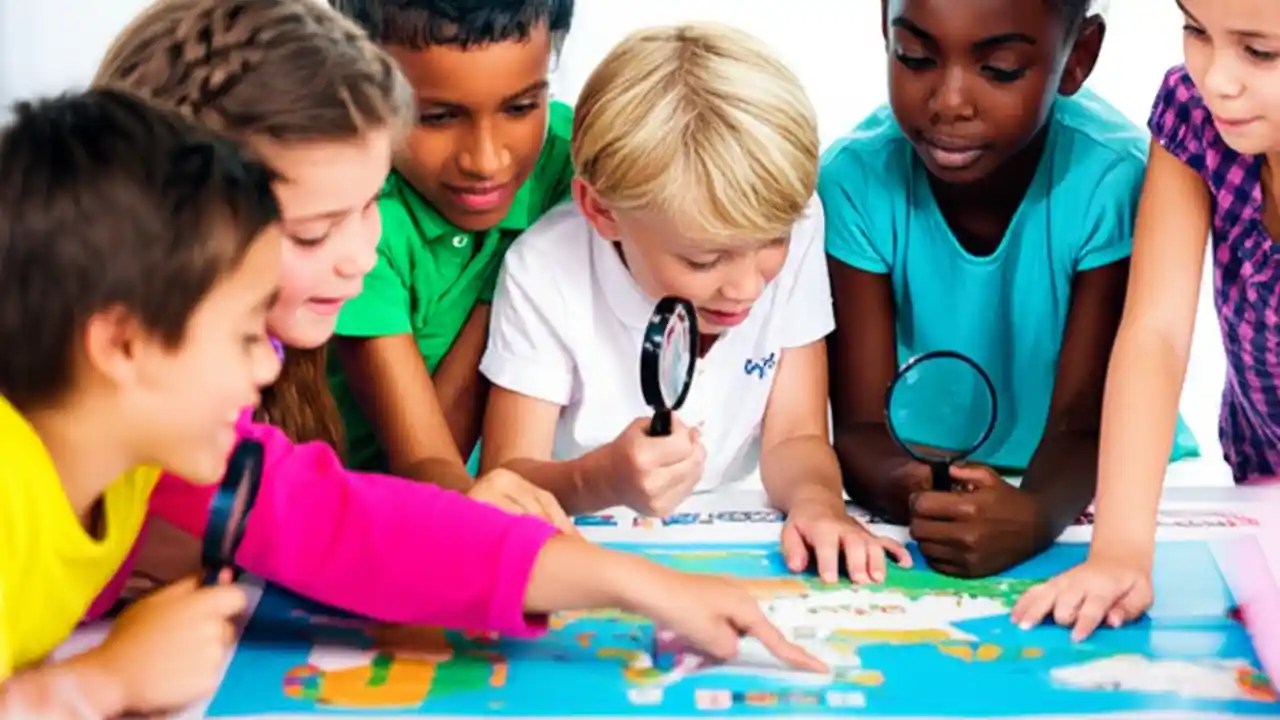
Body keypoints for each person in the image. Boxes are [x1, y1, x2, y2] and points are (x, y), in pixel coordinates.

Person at [84, 0, 821, 690]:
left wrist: (640, 585)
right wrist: (90, 685)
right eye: (315, 232)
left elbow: (348, 524)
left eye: (372, 206)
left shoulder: (222, 443)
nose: (361, 256)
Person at [479, 23, 911, 586]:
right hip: (592, 551)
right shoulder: (543, 270)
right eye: (704, 262)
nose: (746, 289)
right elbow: (505, 480)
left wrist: (818, 505)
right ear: (602, 210)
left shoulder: (797, 222)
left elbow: (796, 436)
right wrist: (601, 479)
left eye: (771, 243)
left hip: (746, 539)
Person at [819, 0, 1199, 579]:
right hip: (928, 472)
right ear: (884, 29)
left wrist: (1037, 514)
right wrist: (920, 493)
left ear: (1079, 59)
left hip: (1100, 482)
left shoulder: (1113, 177)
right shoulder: (854, 179)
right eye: (915, 57)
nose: (949, 101)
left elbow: (1087, 420)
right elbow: (861, 426)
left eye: (998, 70)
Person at [0, 88, 281, 718]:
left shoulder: (125, 469)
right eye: (245, 336)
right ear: (122, 344)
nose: (269, 364)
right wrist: (100, 684)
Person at [1013, 0, 1280, 639]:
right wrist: (1120, 553)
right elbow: (1155, 333)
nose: (1217, 77)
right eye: (1196, 30)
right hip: (1263, 485)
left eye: (1261, 51)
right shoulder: (1197, 113)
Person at [329, 0, 576, 487]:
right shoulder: (355, 212)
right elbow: (426, 467)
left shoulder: (579, 161)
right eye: (437, 117)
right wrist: (514, 280)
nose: (486, 160)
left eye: (521, 107)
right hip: (355, 508)